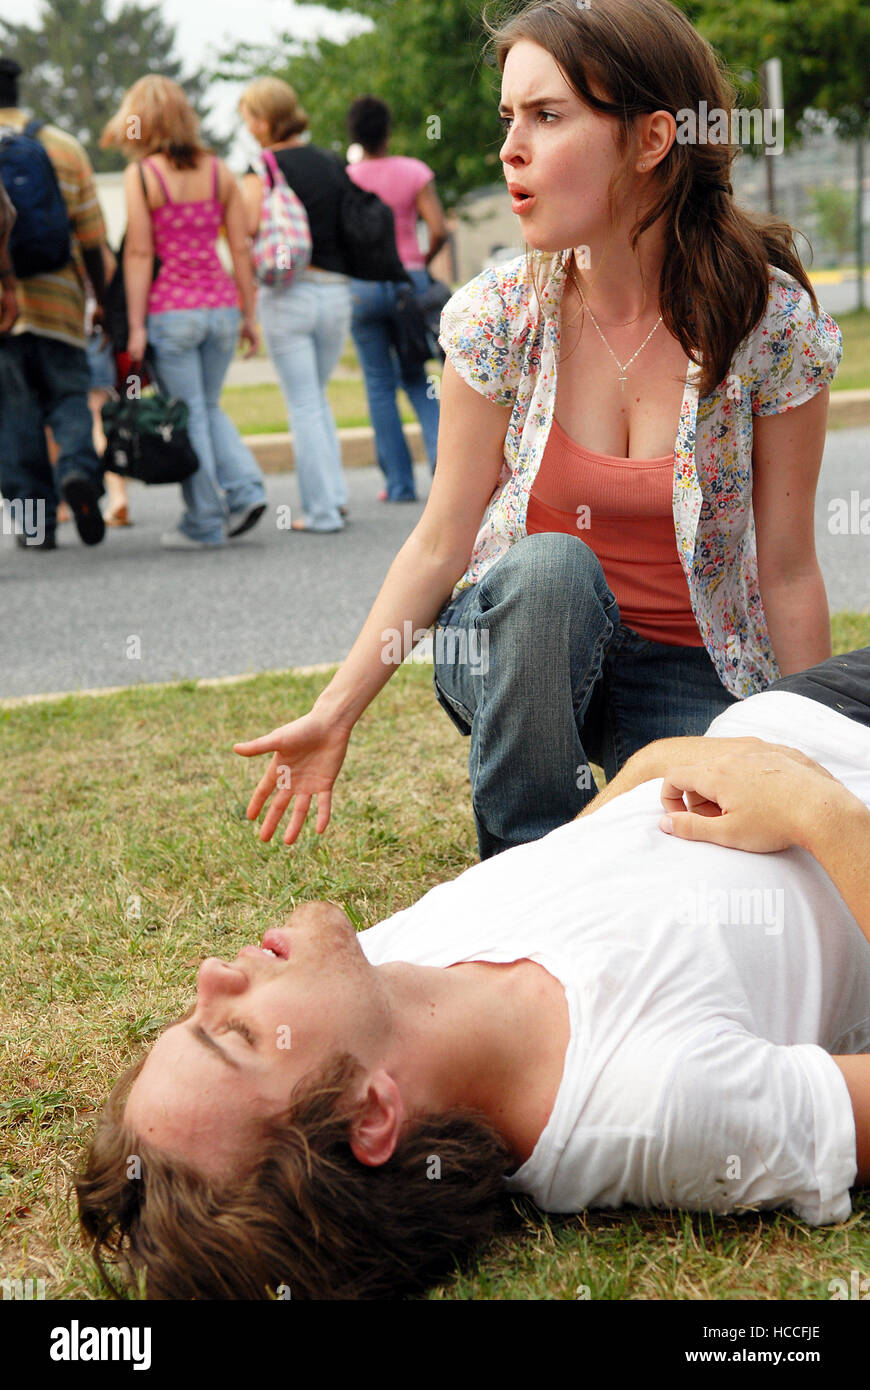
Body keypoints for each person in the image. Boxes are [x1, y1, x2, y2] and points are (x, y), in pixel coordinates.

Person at [229, 0, 843, 861]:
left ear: (652, 138)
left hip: (685, 658)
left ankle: (605, 844)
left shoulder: (766, 322)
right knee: (553, 569)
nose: (509, 149)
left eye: (548, 117)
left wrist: (809, 765)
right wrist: (334, 714)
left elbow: (785, 570)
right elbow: (440, 541)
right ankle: (523, 860)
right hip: (515, 642)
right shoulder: (499, 315)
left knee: (689, 858)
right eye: (508, 117)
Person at [75, 645, 870, 1299]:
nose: (213, 975)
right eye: (237, 1034)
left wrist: (670, 760)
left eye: (191, 1013)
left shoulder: (377, 970)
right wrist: (818, 814)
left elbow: (583, 854)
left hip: (809, 705)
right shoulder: (646, 1103)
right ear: (371, 1116)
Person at [99, 76, 267, 550]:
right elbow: (239, 246)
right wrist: (248, 316)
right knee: (206, 407)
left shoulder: (143, 176)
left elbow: (137, 253)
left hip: (171, 313)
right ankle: (246, 489)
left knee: (189, 412)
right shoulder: (219, 171)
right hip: (220, 308)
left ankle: (204, 522)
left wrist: (133, 327)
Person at [0, 55, 110, 550]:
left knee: (12, 416)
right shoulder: (63, 147)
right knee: (69, 398)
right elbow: (92, 238)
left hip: (4, 309)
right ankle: (78, 472)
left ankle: (33, 524)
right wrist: (105, 305)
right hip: (59, 300)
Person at [239, 78, 352, 534]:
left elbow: (247, 226)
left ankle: (322, 511)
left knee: (303, 403)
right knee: (318, 398)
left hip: (289, 294)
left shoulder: (261, 166)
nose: (245, 127)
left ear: (264, 121)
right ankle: (336, 498)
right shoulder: (331, 161)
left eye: (247, 117)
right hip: (336, 291)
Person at [346, 95, 448, 502]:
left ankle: (399, 485)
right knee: (419, 379)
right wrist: (421, 262)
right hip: (410, 283)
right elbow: (438, 228)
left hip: (363, 287)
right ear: (387, 132)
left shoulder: (347, 178)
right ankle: (444, 475)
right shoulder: (414, 171)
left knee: (378, 385)